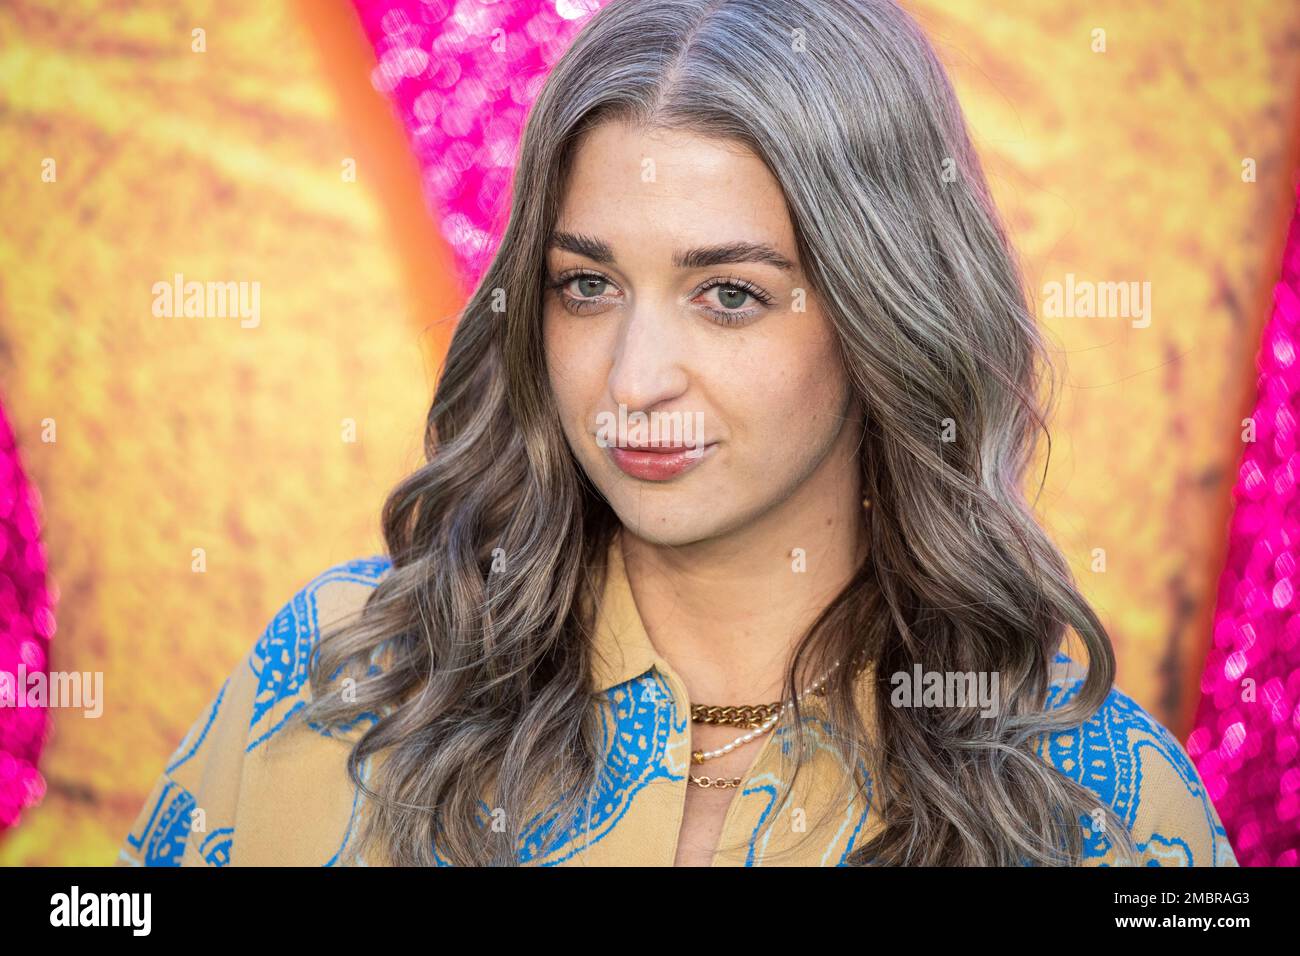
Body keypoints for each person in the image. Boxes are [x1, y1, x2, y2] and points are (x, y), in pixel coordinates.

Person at [118, 0, 1237, 867]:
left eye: (729, 294)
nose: (634, 379)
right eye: (587, 285)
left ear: (883, 312)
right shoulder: (339, 681)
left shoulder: (1095, 799)